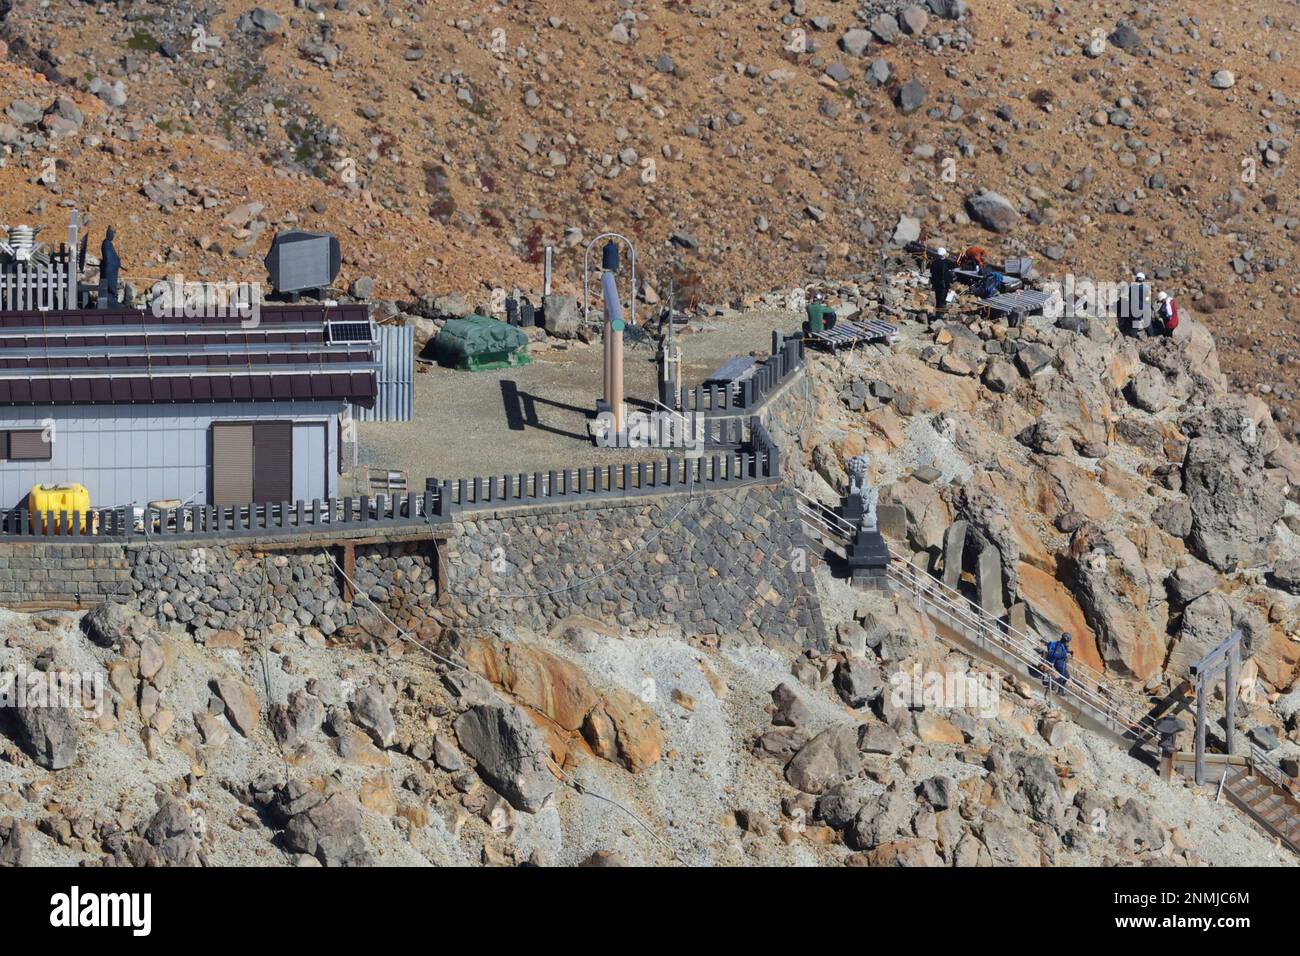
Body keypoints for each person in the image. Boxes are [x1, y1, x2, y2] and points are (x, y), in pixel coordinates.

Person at [929, 247, 955, 319]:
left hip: (936, 284)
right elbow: (954, 265)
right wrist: (950, 284)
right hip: (943, 285)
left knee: (938, 299)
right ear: (944, 254)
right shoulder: (946, 263)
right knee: (942, 300)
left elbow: (931, 273)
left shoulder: (934, 263)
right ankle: (940, 316)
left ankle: (938, 314)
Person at [1125, 271, 1151, 337]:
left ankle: (1132, 335)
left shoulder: (1131, 287)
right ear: (1143, 280)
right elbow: (1147, 300)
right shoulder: (1146, 289)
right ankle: (1151, 335)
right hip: (1142, 308)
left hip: (1133, 308)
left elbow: (1129, 296)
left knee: (1135, 322)